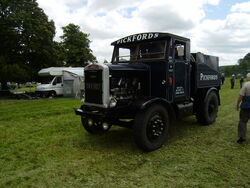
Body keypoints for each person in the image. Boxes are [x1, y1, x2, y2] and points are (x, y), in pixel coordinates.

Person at [236, 73, 250, 143]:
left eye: (247, 77)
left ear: (248, 78)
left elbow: (240, 97)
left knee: (243, 121)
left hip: (246, 106)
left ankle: (242, 137)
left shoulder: (246, 85)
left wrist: (237, 105)